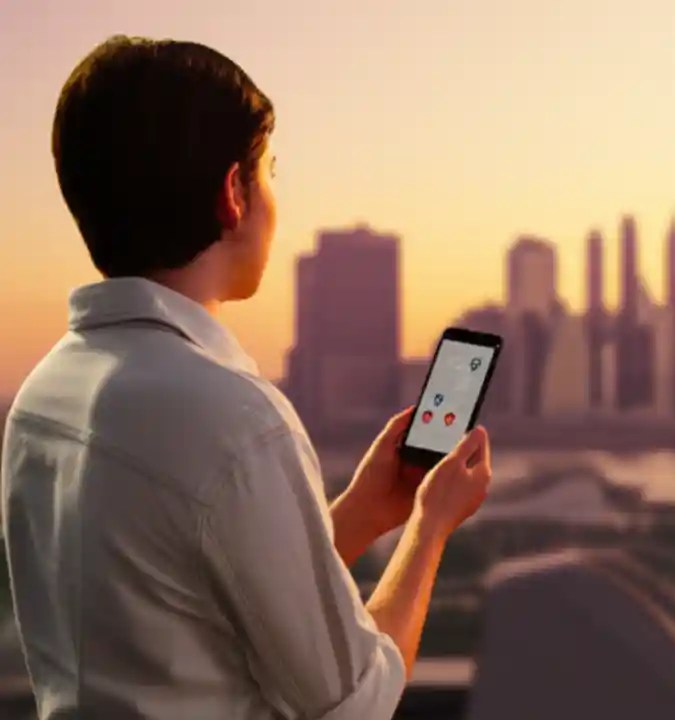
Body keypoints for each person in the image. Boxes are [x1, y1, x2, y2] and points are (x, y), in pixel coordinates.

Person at [0, 35, 492, 719]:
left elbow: (189, 596)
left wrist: (364, 513)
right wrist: (431, 525)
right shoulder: (232, 416)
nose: (272, 197)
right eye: (268, 171)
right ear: (233, 193)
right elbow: (357, 703)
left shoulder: (46, 394)